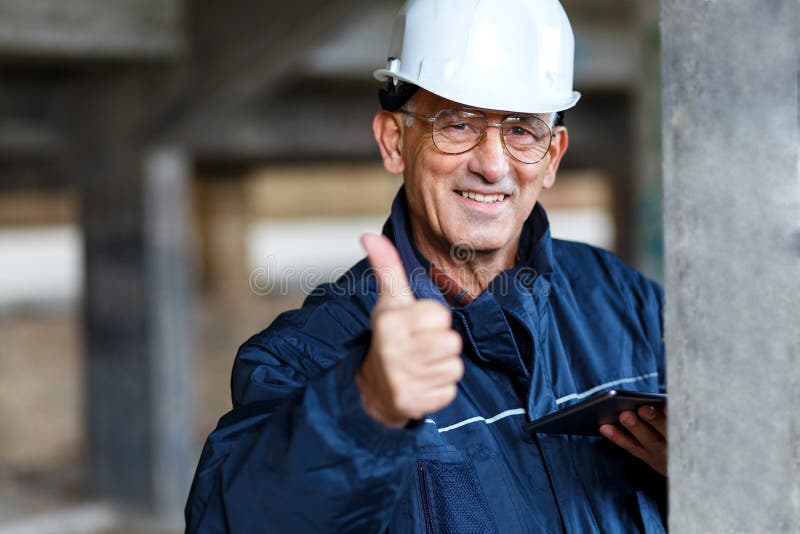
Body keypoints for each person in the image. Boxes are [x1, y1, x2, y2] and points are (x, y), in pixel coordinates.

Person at [186, 0, 667, 532]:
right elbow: (235, 519)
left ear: (552, 157)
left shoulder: (631, 307)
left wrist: (697, 475)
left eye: (522, 130)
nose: (491, 164)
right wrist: (363, 408)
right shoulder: (307, 357)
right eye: (457, 124)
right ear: (394, 141)